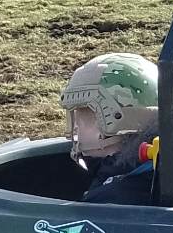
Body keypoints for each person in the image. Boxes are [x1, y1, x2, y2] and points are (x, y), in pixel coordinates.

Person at [60, 52, 161, 204]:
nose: (75, 127)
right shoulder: (156, 172)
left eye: (85, 116)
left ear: (117, 121)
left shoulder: (111, 199)